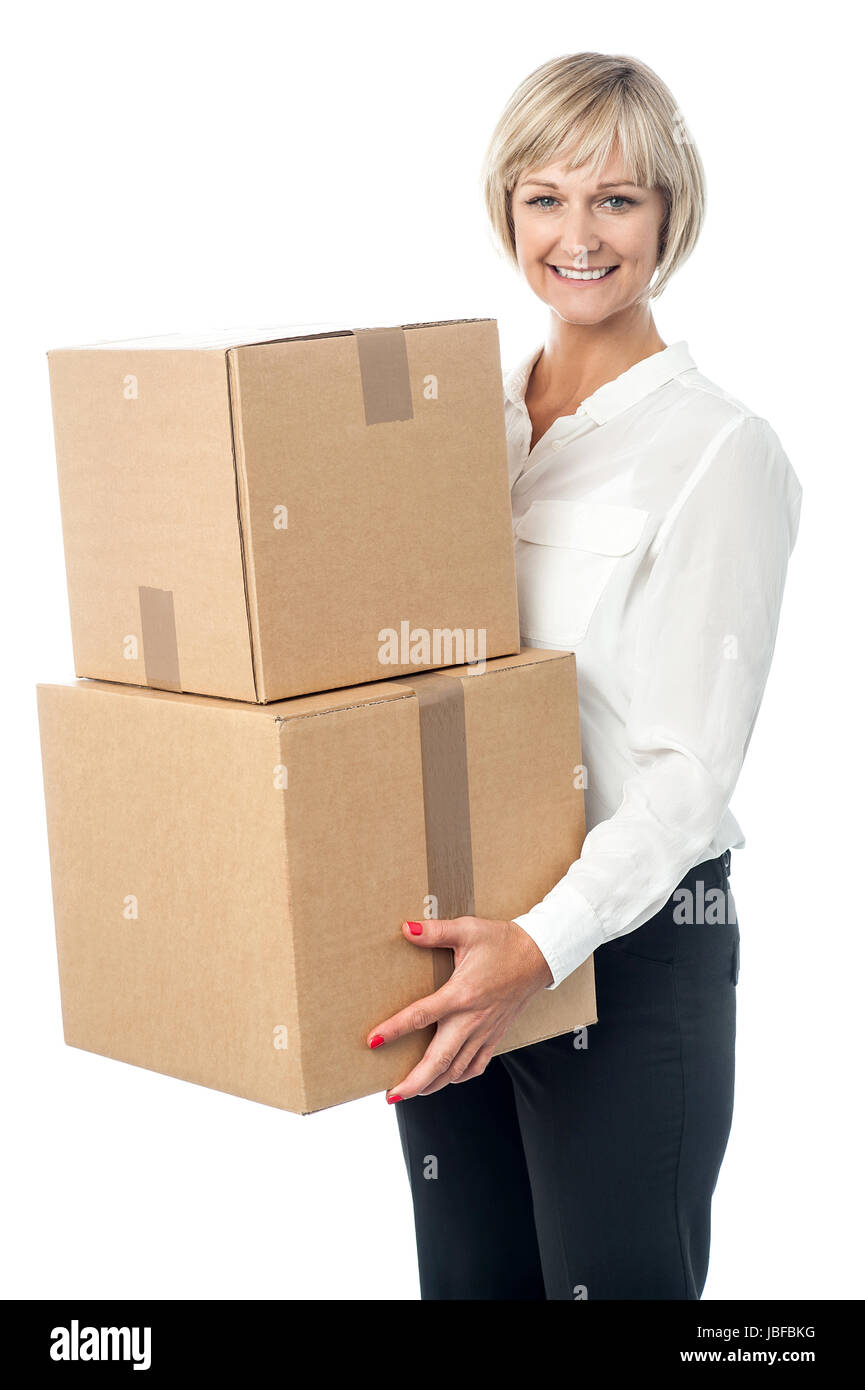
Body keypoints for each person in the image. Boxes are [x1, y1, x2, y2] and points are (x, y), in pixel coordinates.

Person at [365, 51, 803, 1300]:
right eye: (545, 197)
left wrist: (540, 946)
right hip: (456, 939)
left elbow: (683, 773)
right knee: (468, 1286)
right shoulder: (463, 427)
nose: (578, 234)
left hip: (626, 942)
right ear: (507, 210)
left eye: (616, 199)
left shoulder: (721, 452)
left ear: (670, 213)